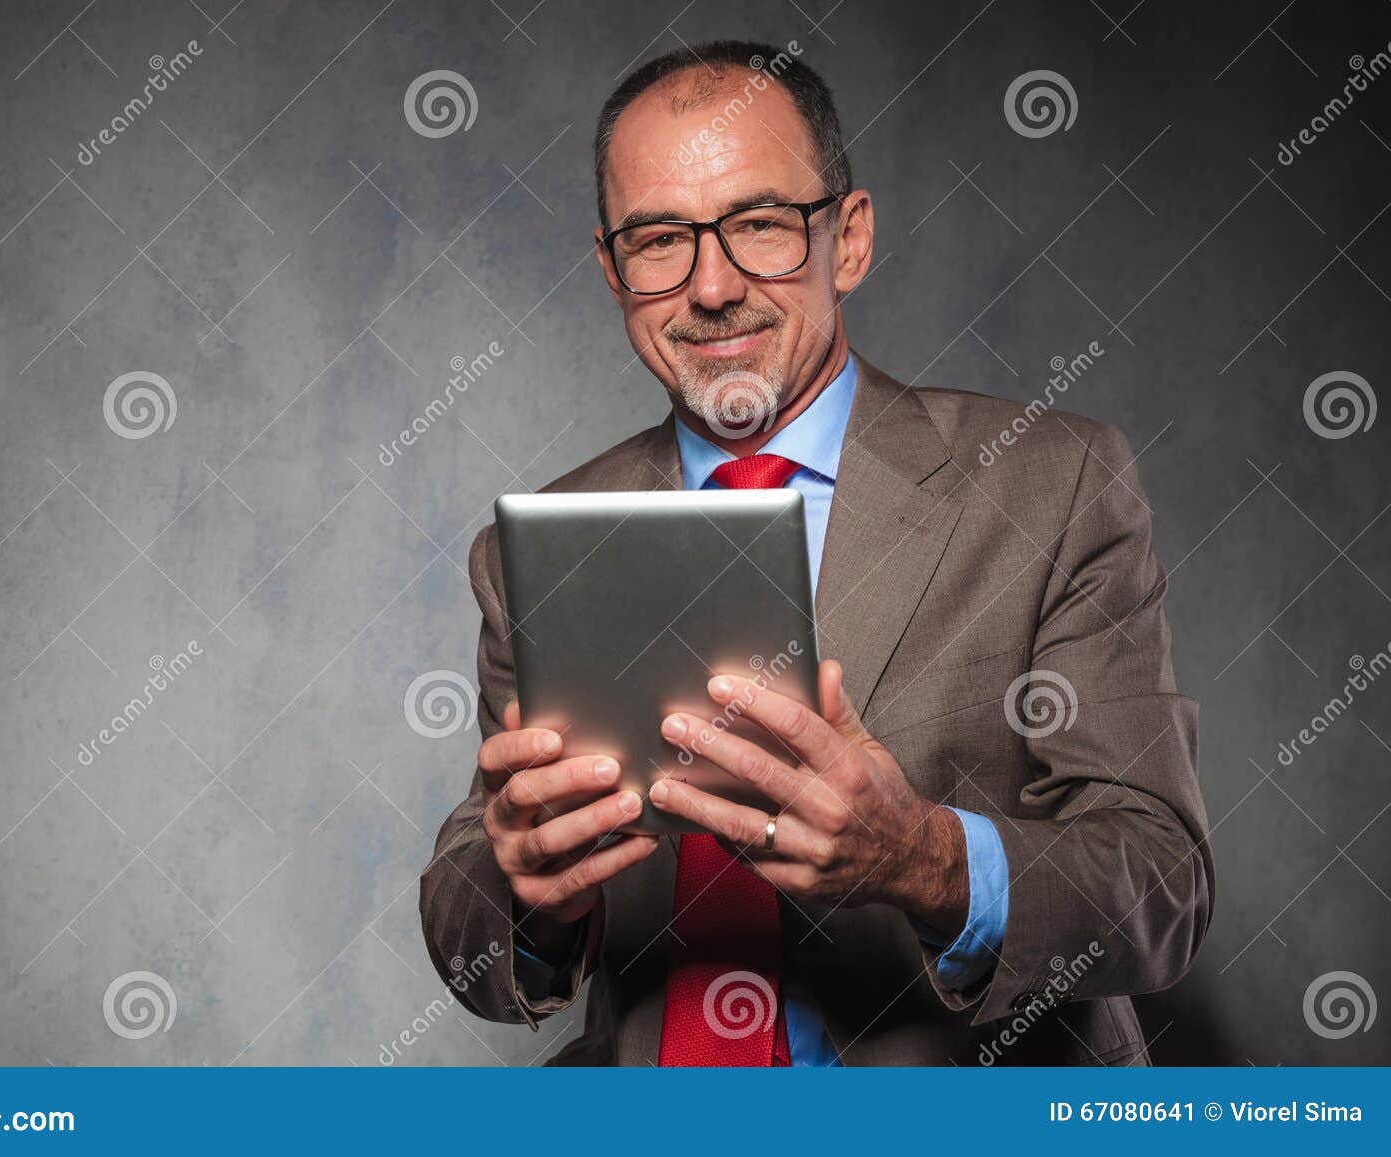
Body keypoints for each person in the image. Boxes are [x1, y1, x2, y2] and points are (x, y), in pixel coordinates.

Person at [419, 40, 1212, 1066]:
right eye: (660, 239)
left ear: (849, 239)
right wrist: (530, 897)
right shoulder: (534, 548)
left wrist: (927, 859)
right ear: (613, 270)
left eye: (758, 224)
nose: (711, 286)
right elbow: (469, 921)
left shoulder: (1052, 485)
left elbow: (1162, 885)